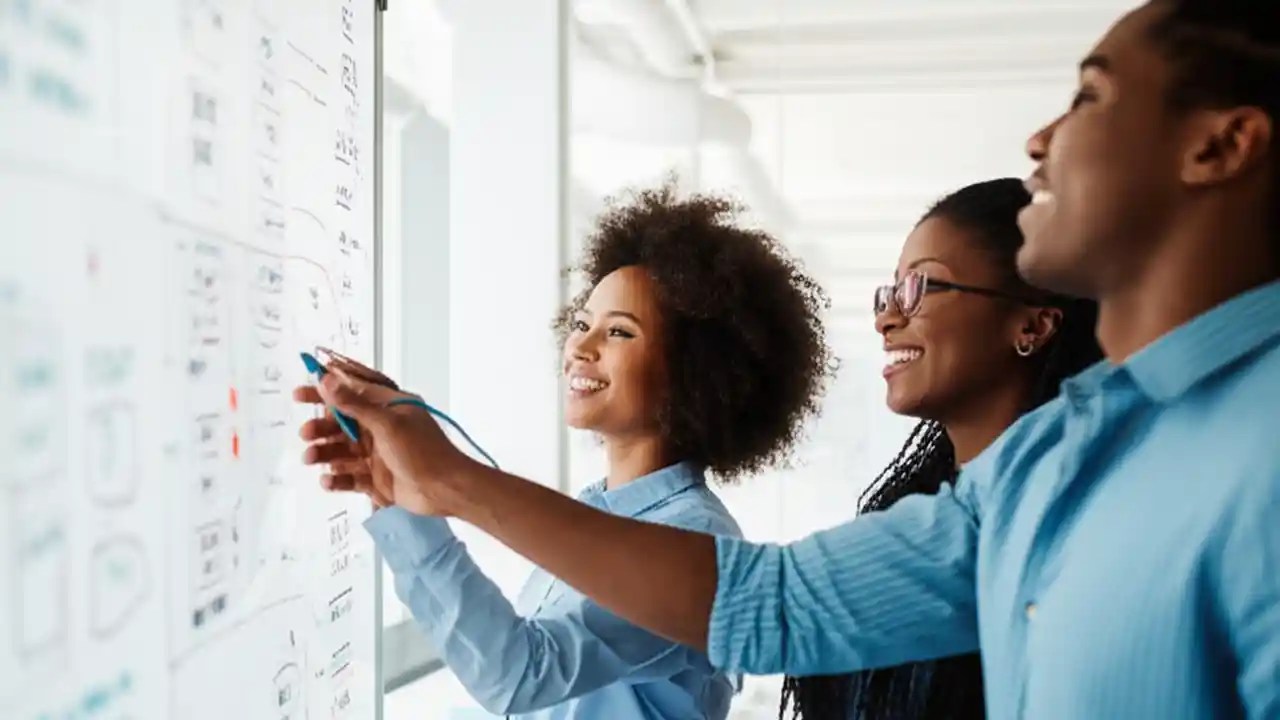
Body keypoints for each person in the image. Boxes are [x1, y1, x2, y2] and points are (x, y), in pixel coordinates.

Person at [299, 1, 1280, 717]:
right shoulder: (1044, 462)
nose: (1037, 136)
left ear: (1220, 147)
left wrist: (451, 489)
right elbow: (763, 605)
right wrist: (447, 485)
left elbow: (527, 670)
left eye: (1090, 98)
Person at [299, 185, 832, 719]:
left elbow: (520, 674)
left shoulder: (694, 540)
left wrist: (440, 481)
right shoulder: (594, 515)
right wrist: (396, 498)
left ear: (694, 374)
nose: (580, 346)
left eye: (619, 332)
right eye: (581, 323)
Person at [779, 178, 1100, 720]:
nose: (886, 319)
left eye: (920, 287)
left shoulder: (1077, 525)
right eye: (890, 292)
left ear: (1033, 323)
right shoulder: (897, 514)